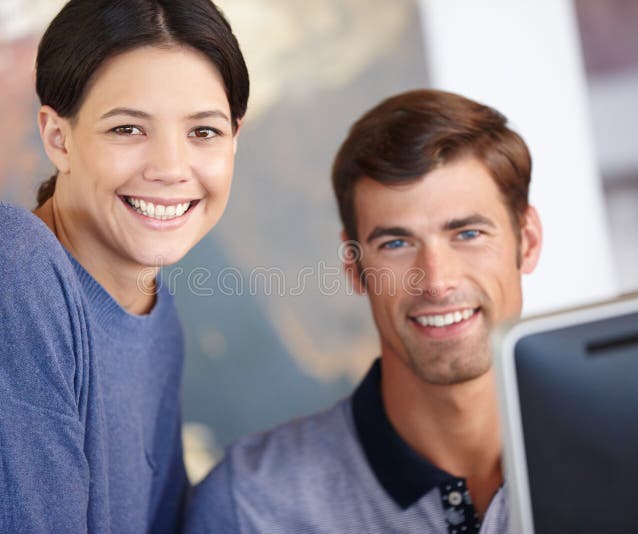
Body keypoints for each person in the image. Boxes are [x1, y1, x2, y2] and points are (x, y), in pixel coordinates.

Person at [0, 0, 248, 532]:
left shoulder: (158, 320)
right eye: (128, 129)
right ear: (59, 138)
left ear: (234, 141)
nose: (172, 169)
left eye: (204, 132)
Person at [184, 89, 543, 534]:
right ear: (354, 267)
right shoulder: (254, 505)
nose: (435, 280)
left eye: (467, 234)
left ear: (526, 241)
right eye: (396, 243)